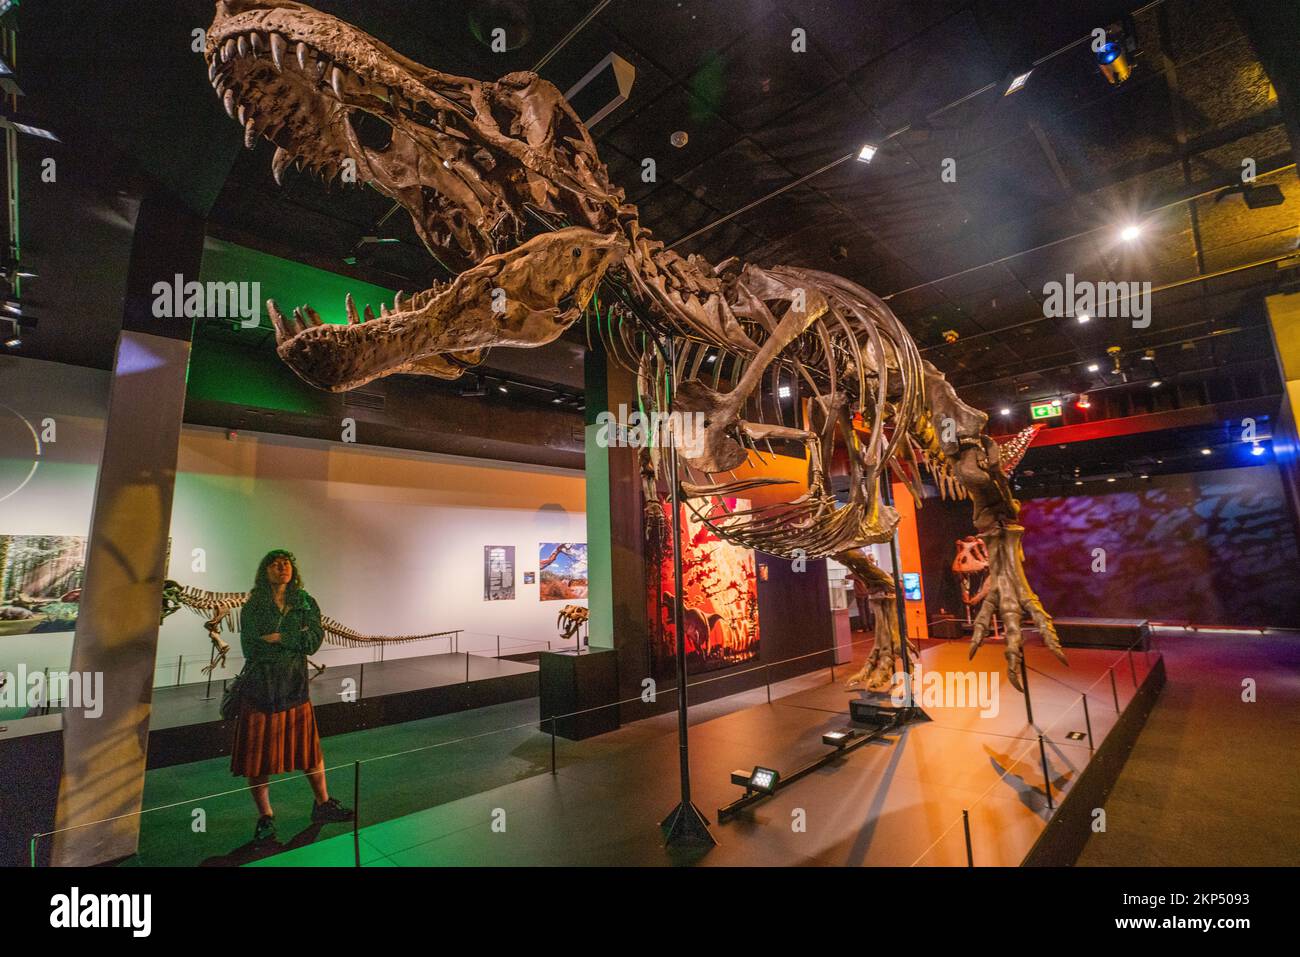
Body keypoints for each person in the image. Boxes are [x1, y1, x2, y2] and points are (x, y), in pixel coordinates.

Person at [230, 549, 352, 843]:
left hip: (294, 688)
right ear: (265, 571)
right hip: (260, 690)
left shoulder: (306, 602)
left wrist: (280, 638)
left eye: (286, 563)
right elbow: (251, 647)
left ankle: (323, 803)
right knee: (257, 759)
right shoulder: (253, 605)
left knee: (309, 752)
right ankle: (266, 817)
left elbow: (312, 642)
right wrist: (291, 643)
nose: (282, 567)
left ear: (292, 570)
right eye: (275, 564)